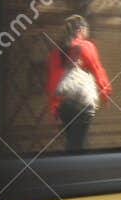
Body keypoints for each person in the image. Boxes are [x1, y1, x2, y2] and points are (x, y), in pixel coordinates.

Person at [47, 14, 112, 152]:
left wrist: (55, 108)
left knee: (73, 142)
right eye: (86, 28)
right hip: (82, 104)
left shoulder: (57, 52)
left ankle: (73, 168)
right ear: (80, 30)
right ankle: (74, 170)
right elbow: (97, 70)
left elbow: (54, 82)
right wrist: (105, 93)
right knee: (77, 145)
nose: (87, 31)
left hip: (64, 107)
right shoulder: (86, 46)